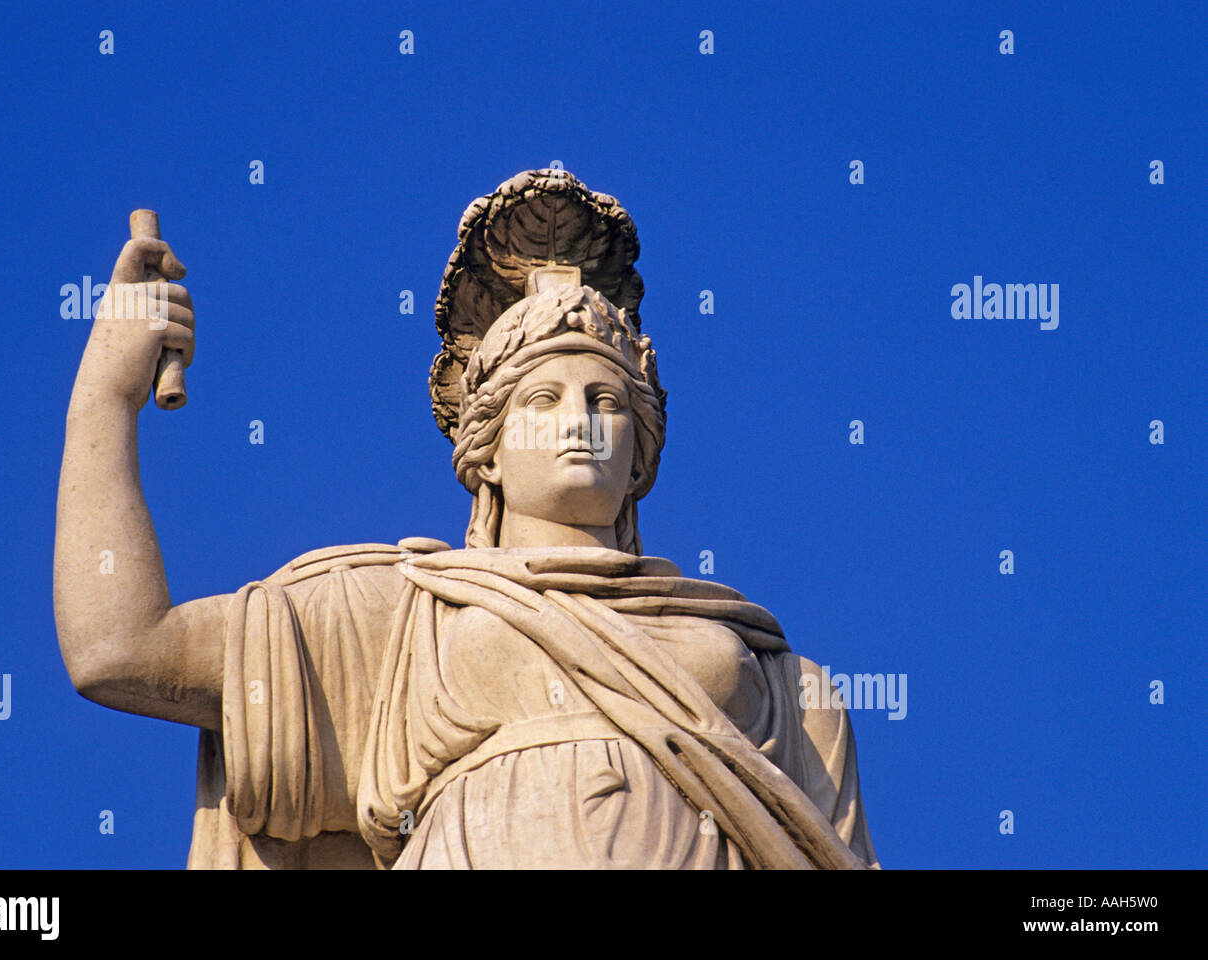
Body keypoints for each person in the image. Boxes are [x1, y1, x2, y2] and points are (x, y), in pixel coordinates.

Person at [54, 170, 881, 870]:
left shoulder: (778, 677)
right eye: (543, 399)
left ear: (642, 452)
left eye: (606, 401)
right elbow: (119, 650)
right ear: (486, 450)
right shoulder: (402, 614)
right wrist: (107, 395)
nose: (578, 422)